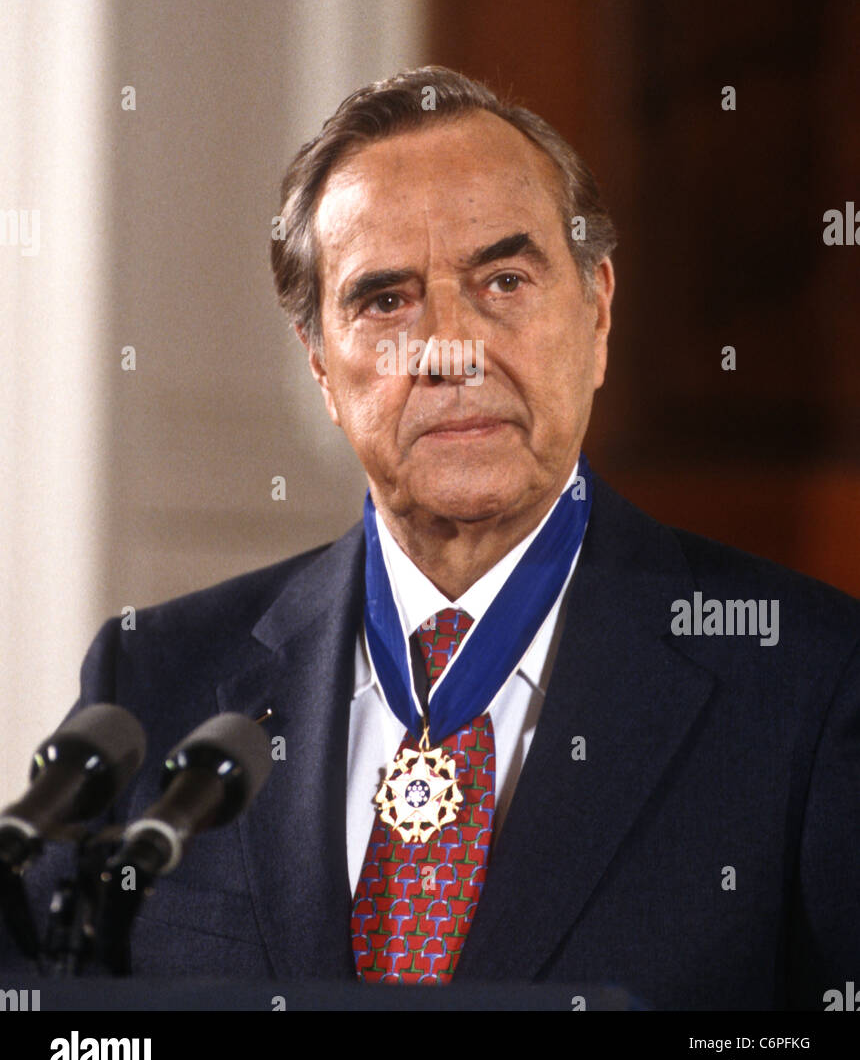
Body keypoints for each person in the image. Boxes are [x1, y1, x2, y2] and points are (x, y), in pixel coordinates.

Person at [4, 67, 858, 1007]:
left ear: (599, 311)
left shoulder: (809, 688)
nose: (451, 350)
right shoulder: (153, 683)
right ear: (321, 364)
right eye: (385, 301)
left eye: (503, 280)